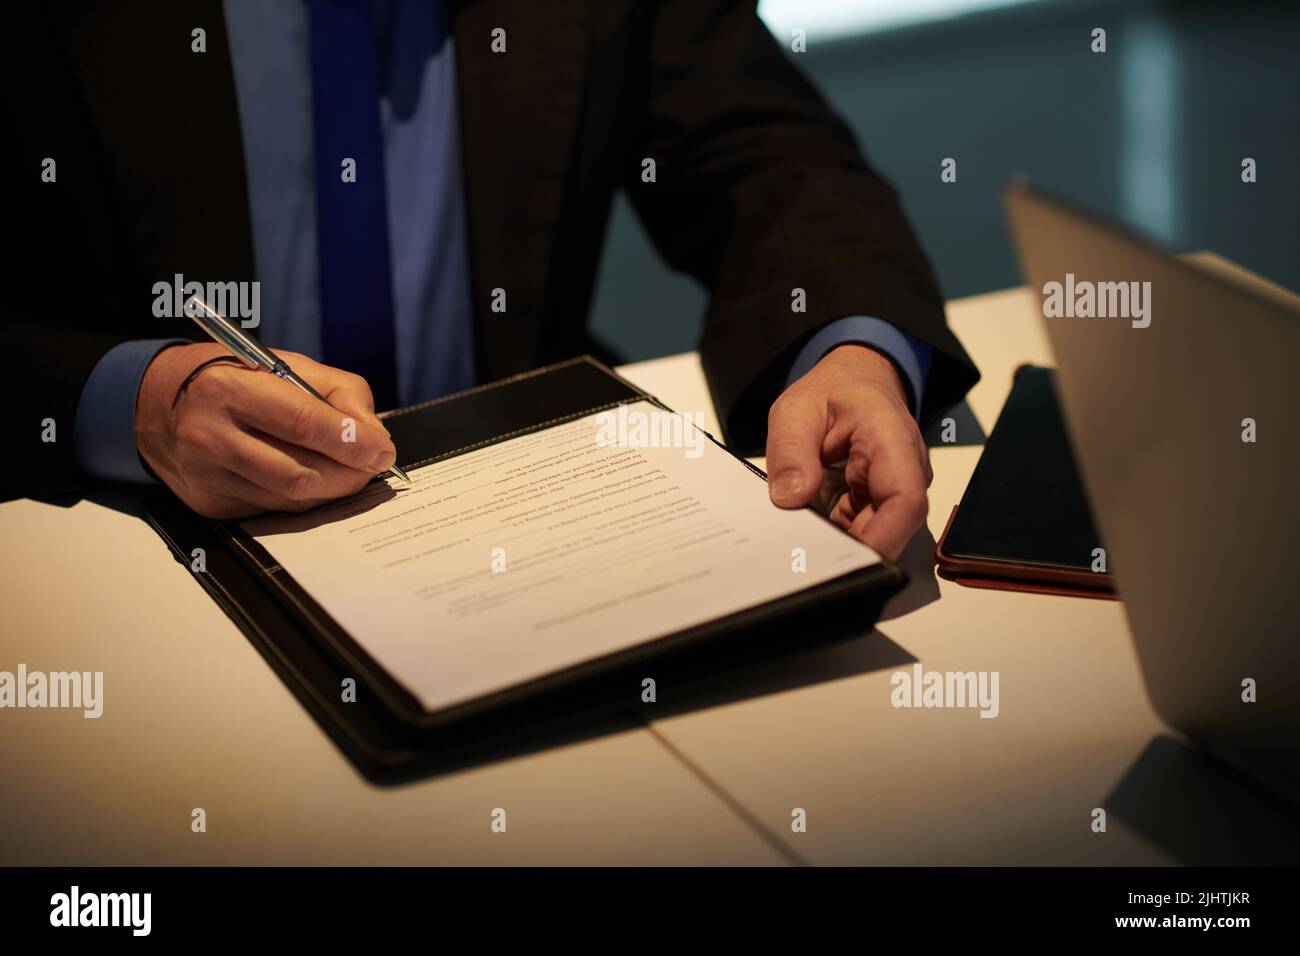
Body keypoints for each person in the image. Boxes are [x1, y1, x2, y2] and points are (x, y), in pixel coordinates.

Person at [4, 0, 977, 560]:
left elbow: (768, 158)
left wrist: (851, 344)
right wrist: (134, 405)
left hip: (530, 545)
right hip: (128, 564)